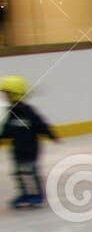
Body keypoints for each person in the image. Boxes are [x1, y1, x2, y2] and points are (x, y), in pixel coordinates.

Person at [1, 76, 58, 209]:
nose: (5, 97)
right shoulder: (11, 113)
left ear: (15, 94)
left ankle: (37, 194)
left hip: (31, 148)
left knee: (31, 171)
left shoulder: (29, 112)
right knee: (18, 172)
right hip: (17, 149)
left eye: (7, 93)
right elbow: (7, 129)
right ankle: (24, 193)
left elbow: (41, 124)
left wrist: (51, 135)